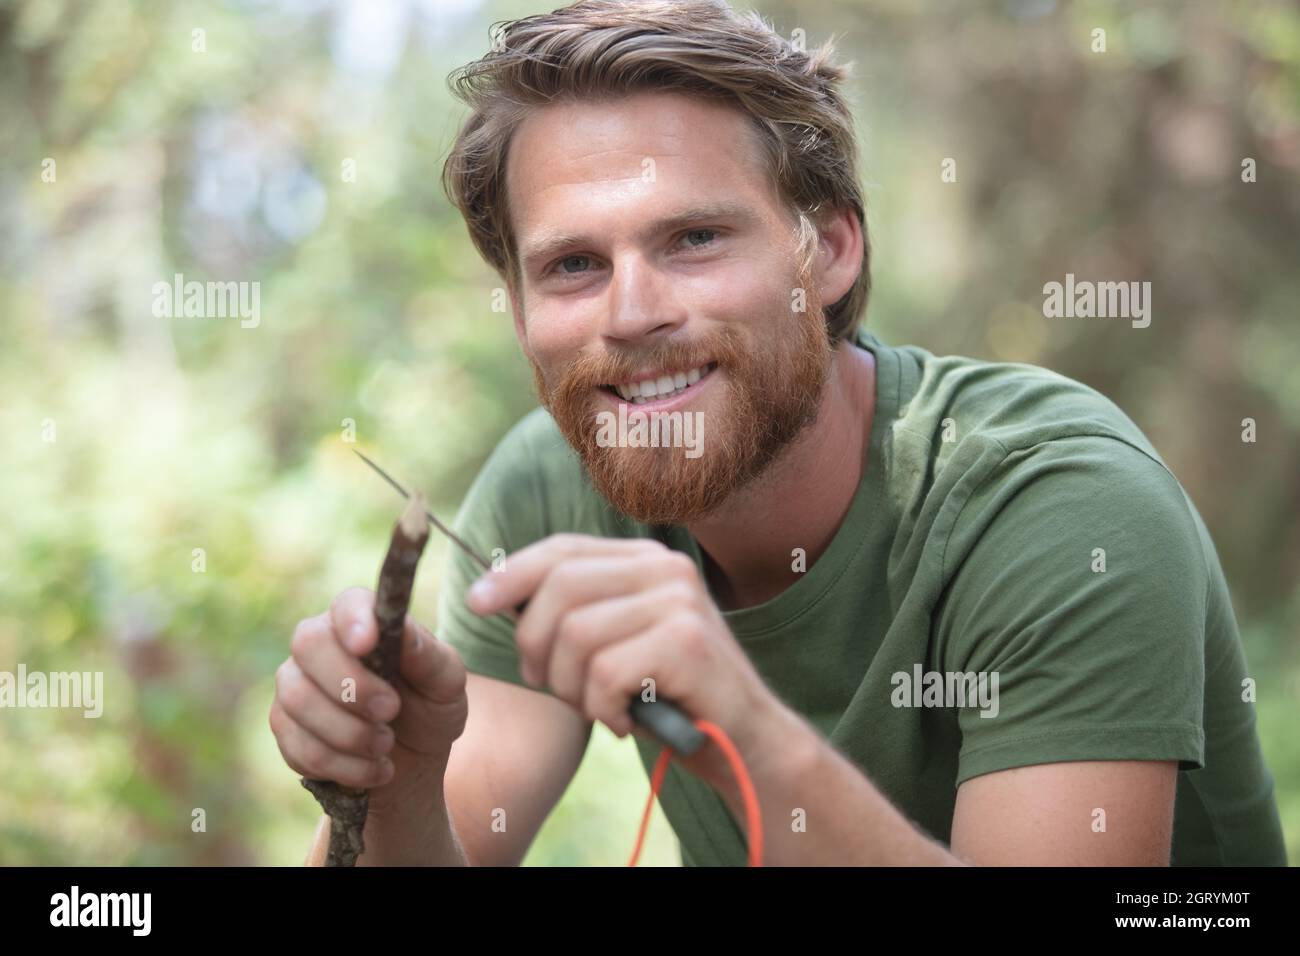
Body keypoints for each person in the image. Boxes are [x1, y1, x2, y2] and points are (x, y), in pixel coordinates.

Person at [271, 0, 1286, 866]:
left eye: (695, 237)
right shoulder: (550, 489)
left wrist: (747, 732)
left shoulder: (1057, 505)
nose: (630, 312)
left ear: (829, 249)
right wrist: (398, 782)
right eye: (572, 264)